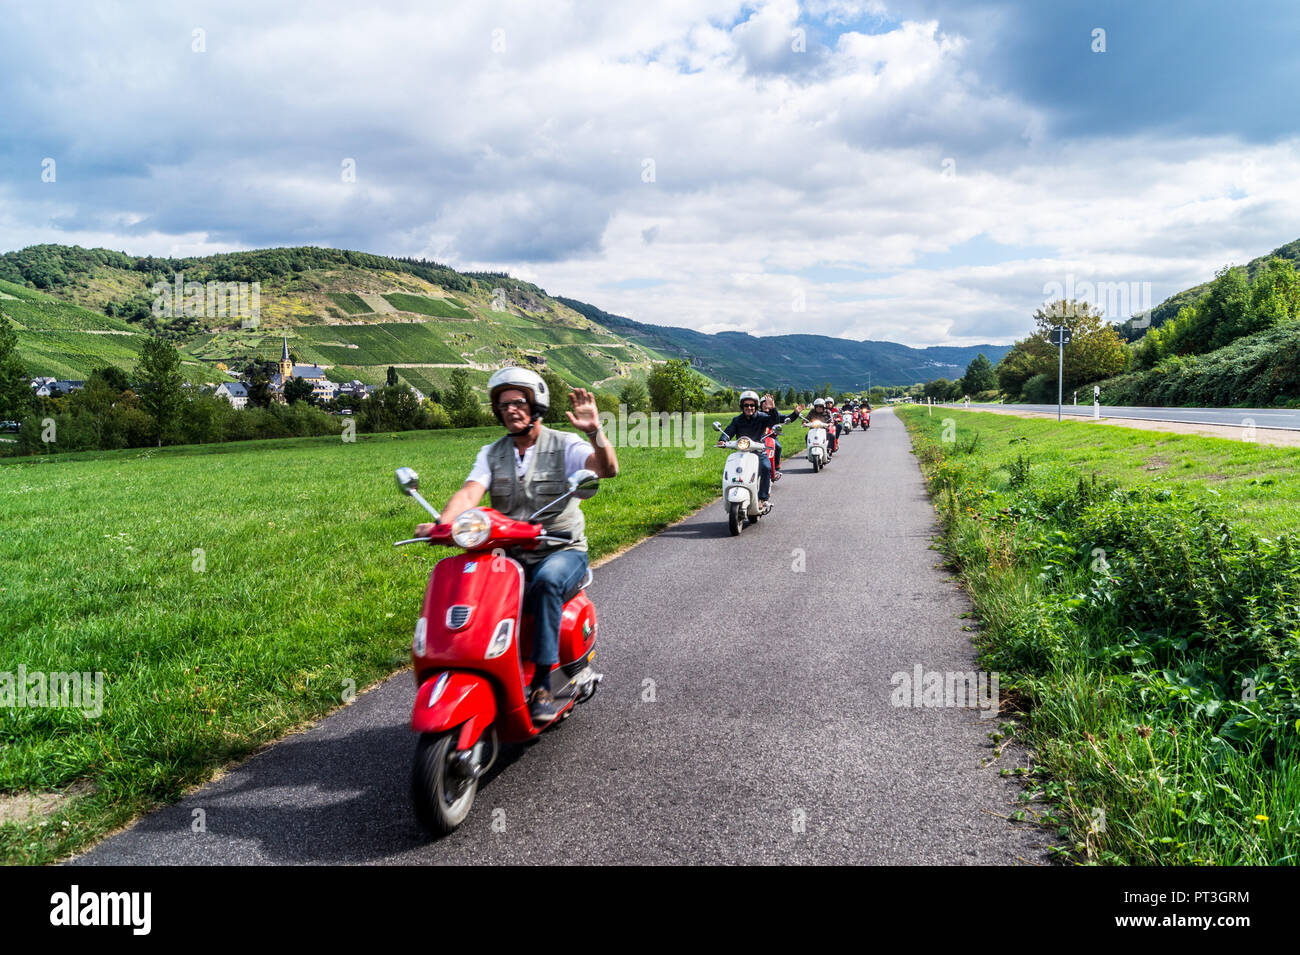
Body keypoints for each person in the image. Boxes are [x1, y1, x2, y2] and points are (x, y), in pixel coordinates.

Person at [416, 367, 618, 724]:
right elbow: (469, 493)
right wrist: (445, 524)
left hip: (561, 549)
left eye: (519, 402)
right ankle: (474, 665)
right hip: (508, 553)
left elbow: (605, 469)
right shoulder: (491, 453)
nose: (511, 409)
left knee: (546, 582)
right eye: (504, 404)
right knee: (470, 586)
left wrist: (593, 432)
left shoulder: (563, 444)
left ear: (535, 404)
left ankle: (541, 684)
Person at [717, 391, 801, 501]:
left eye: (752, 405)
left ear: (756, 406)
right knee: (733, 468)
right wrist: (723, 440)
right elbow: (729, 431)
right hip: (742, 451)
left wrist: (772, 409)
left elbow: (774, 422)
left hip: (759, 451)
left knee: (766, 468)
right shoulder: (737, 420)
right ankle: (731, 492)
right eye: (746, 405)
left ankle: (762, 498)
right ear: (742, 406)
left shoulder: (762, 417)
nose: (749, 407)